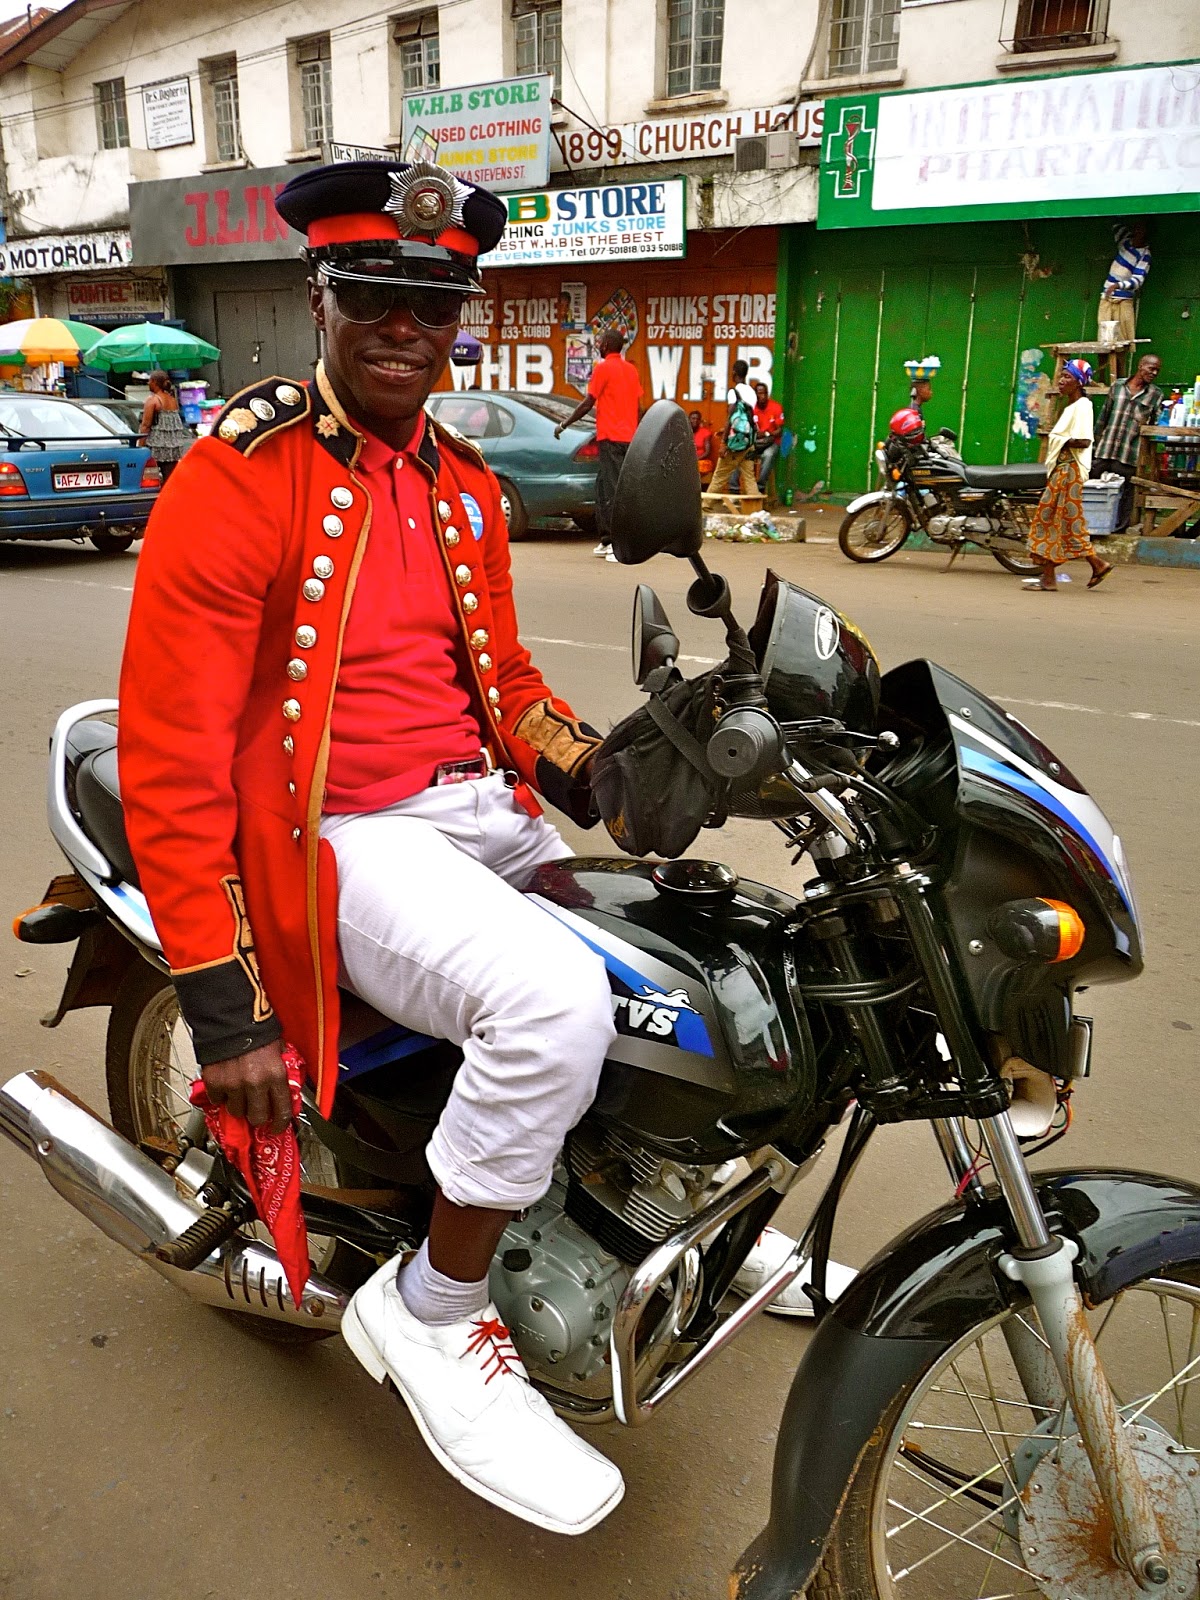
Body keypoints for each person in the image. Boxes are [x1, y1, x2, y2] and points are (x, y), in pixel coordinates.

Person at [118, 159, 627, 1537]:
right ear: (320, 298)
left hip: (476, 808)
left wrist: (594, 769)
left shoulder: (460, 482)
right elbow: (170, 758)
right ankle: (436, 1309)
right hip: (340, 836)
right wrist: (223, 1005)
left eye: (436, 298)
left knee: (692, 964)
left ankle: (649, 1215)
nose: (407, 323)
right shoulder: (245, 471)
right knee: (552, 1002)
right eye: (376, 295)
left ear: (464, 312)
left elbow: (506, 678)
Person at [554, 329, 642, 561]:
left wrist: (564, 423)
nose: (599, 344)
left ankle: (617, 544)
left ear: (607, 346)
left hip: (612, 438)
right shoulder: (631, 370)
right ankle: (606, 539)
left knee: (612, 492)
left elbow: (587, 403)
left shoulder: (604, 368)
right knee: (602, 488)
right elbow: (638, 405)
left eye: (601, 341)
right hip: (626, 439)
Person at [1026, 358, 1113, 593]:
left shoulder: (1083, 406)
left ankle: (1051, 578)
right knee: (1063, 522)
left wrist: (1059, 439)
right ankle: (1095, 564)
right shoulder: (1073, 407)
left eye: (1068, 377)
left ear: (1079, 383)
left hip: (1068, 471)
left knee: (1049, 520)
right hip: (1064, 471)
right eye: (1062, 375)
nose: (1062, 381)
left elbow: (1084, 441)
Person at [1093, 352, 1164, 532]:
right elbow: (1104, 416)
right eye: (1151, 368)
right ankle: (1089, 523)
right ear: (1141, 366)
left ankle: (1119, 528)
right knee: (1093, 486)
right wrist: (1094, 444)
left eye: (1157, 370)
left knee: (1126, 493)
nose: (1154, 373)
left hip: (1129, 451)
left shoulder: (1155, 394)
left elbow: (1154, 426)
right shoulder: (1117, 386)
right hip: (1106, 448)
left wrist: (1146, 456)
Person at [709, 360, 758, 496]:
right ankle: (755, 510)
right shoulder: (752, 393)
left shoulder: (734, 392)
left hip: (735, 443)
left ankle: (705, 506)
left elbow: (731, 417)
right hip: (748, 441)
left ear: (734, 372)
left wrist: (724, 442)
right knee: (749, 478)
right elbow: (745, 418)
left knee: (719, 476)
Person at [1098, 222, 1151, 345]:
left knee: (1122, 341)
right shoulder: (1125, 242)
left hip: (1123, 301)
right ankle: (1103, 364)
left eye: (1141, 232)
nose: (1137, 234)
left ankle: (1120, 364)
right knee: (1103, 340)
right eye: (1136, 230)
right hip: (1106, 298)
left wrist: (1118, 285)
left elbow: (1137, 281)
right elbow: (1116, 226)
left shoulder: (1145, 255)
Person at [138, 370, 192, 482]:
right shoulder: (173, 400)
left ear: (154, 382)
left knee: (150, 480)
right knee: (170, 480)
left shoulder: (152, 400)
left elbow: (145, 426)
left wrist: (140, 447)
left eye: (149, 381)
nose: (148, 383)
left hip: (156, 447)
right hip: (172, 449)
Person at [752, 380, 785, 504]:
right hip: (756, 442)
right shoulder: (752, 408)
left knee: (768, 455)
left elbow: (779, 431)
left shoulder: (775, 407)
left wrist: (767, 434)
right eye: (759, 393)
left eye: (764, 393)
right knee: (741, 454)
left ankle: (760, 488)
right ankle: (736, 490)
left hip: (772, 442)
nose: (762, 396)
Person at [690, 407, 716, 484]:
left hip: (700, 460)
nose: (695, 420)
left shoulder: (705, 432)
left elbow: (707, 452)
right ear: (689, 420)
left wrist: (695, 460)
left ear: (700, 421)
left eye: (697, 419)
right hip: (687, 460)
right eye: (693, 418)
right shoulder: (684, 432)